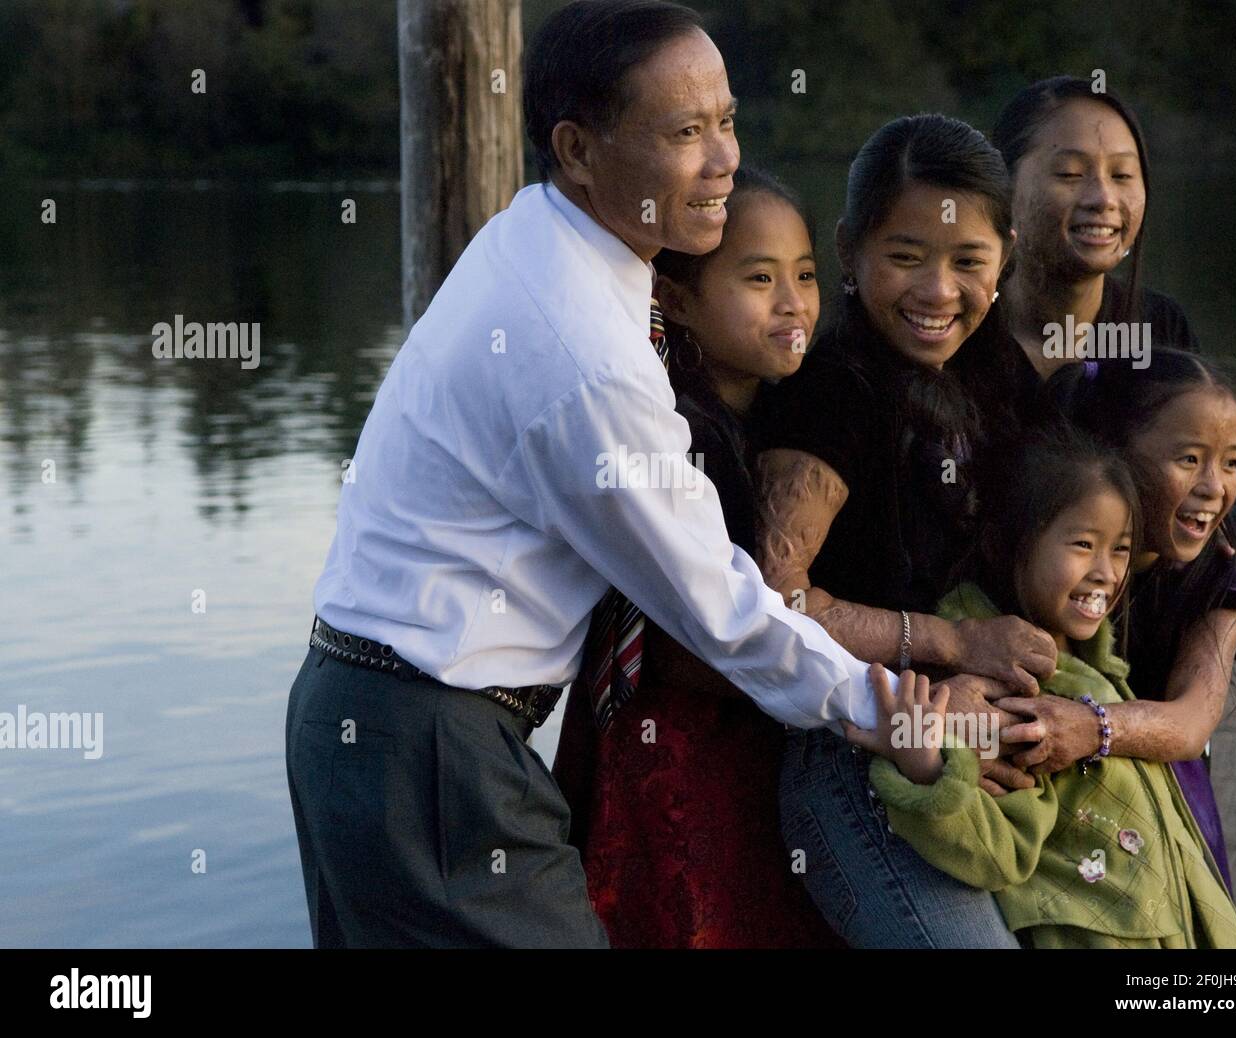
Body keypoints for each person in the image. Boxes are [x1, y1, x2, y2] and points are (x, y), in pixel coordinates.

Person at [285, 0, 889, 950]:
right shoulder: (585, 354)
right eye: (685, 132)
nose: (725, 158)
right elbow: (716, 608)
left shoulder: (540, 240)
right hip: (430, 747)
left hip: (380, 724)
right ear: (576, 147)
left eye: (727, 120)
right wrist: (883, 709)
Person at [757, 115, 1040, 948]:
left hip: (980, 750)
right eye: (906, 258)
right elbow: (776, 603)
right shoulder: (829, 391)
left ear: (1008, 256)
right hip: (854, 758)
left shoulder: (997, 373)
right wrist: (956, 646)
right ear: (848, 251)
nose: (937, 293)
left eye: (969, 262)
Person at [552, 166, 843, 947]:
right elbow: (678, 645)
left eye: (807, 276)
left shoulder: (790, 417)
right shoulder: (669, 425)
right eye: (758, 279)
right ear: (675, 300)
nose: (793, 304)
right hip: (674, 745)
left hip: (758, 724)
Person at [859, 426, 1236, 948]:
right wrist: (927, 771)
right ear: (1008, 544)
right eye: (1084, 545)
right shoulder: (1002, 687)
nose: (1105, 573)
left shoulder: (1098, 671)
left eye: (1121, 550)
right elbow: (1001, 853)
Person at [1003, 349, 1236, 892]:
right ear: (1116, 451)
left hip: (1165, 818)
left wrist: (1090, 727)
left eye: (1229, 463)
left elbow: (1192, 721)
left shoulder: (1216, 581)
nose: (1215, 487)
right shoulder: (1045, 554)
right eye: (1189, 459)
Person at [965, 75, 1198, 417]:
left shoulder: (1161, 329)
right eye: (1070, 174)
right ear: (1003, 187)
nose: (1103, 198)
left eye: (1122, 175)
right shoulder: (956, 325)